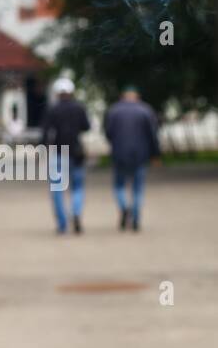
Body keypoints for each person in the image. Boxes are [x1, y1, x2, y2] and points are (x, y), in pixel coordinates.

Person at [102, 86, 160, 231]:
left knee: (119, 186)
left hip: (119, 154)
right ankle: (135, 217)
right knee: (138, 188)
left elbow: (108, 133)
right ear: (137, 96)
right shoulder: (145, 110)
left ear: (123, 96)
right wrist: (155, 154)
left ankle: (124, 207)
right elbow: (152, 135)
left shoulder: (114, 110)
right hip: (140, 155)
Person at [40, 76, 90, 234]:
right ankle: (75, 213)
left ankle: (62, 224)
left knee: (57, 190)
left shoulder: (53, 109)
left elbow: (45, 133)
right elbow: (86, 127)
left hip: (58, 153)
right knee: (77, 187)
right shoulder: (79, 108)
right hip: (76, 152)